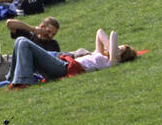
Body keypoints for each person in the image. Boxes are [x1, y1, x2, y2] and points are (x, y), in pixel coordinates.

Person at [7, 28, 135, 88]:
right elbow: (100, 32)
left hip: (64, 68)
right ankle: (13, 79)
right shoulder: (99, 53)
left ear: (120, 57)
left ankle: (24, 81)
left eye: (119, 48)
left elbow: (113, 34)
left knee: (23, 42)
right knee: (20, 40)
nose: (114, 46)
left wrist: (115, 52)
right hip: (62, 63)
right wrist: (111, 49)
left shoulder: (110, 63)